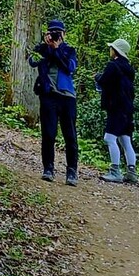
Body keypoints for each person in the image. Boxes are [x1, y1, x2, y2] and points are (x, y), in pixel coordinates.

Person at [29, 18, 79, 185]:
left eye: (58, 33)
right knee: (48, 134)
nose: (55, 35)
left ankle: (72, 171)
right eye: (52, 32)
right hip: (48, 96)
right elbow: (32, 61)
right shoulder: (42, 50)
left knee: (70, 135)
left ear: (64, 34)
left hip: (67, 97)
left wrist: (56, 49)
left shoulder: (70, 51)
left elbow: (69, 68)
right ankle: (48, 168)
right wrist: (43, 46)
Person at [94, 38, 138, 184]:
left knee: (109, 138)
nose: (110, 50)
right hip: (128, 108)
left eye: (111, 48)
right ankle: (131, 172)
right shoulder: (129, 69)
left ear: (116, 50)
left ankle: (115, 171)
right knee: (125, 140)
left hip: (116, 107)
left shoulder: (113, 66)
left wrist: (97, 77)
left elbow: (104, 80)